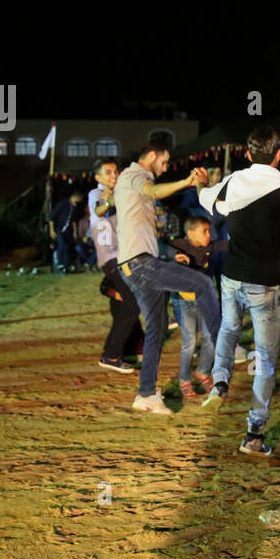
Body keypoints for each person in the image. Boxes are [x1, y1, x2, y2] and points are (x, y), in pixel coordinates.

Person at [198, 126, 280, 455]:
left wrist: (201, 181)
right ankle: (254, 434)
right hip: (264, 283)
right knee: (266, 361)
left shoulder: (234, 181)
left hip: (231, 277)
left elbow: (206, 199)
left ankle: (220, 381)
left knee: (229, 328)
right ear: (277, 156)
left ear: (247, 154)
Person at [114, 141, 222, 415]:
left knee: (157, 329)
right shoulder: (137, 175)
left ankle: (146, 395)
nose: (165, 168)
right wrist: (186, 181)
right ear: (152, 155)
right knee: (203, 284)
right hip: (140, 265)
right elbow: (152, 190)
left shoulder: (128, 179)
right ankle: (224, 347)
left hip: (135, 265)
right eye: (164, 162)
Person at [88, 158, 140, 374]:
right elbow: (100, 210)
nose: (114, 175)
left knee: (124, 302)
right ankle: (110, 355)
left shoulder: (118, 193)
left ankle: (133, 347)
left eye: (116, 171)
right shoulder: (97, 194)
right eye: (108, 172)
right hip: (111, 257)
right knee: (133, 303)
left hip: (122, 256)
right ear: (98, 178)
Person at [167, 215, 229, 396]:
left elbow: (227, 245)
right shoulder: (179, 246)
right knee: (190, 341)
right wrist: (173, 257)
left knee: (211, 337)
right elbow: (164, 246)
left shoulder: (210, 247)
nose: (209, 234)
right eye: (205, 231)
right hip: (183, 301)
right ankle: (184, 379)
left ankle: (202, 372)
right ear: (191, 234)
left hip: (204, 300)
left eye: (209, 230)